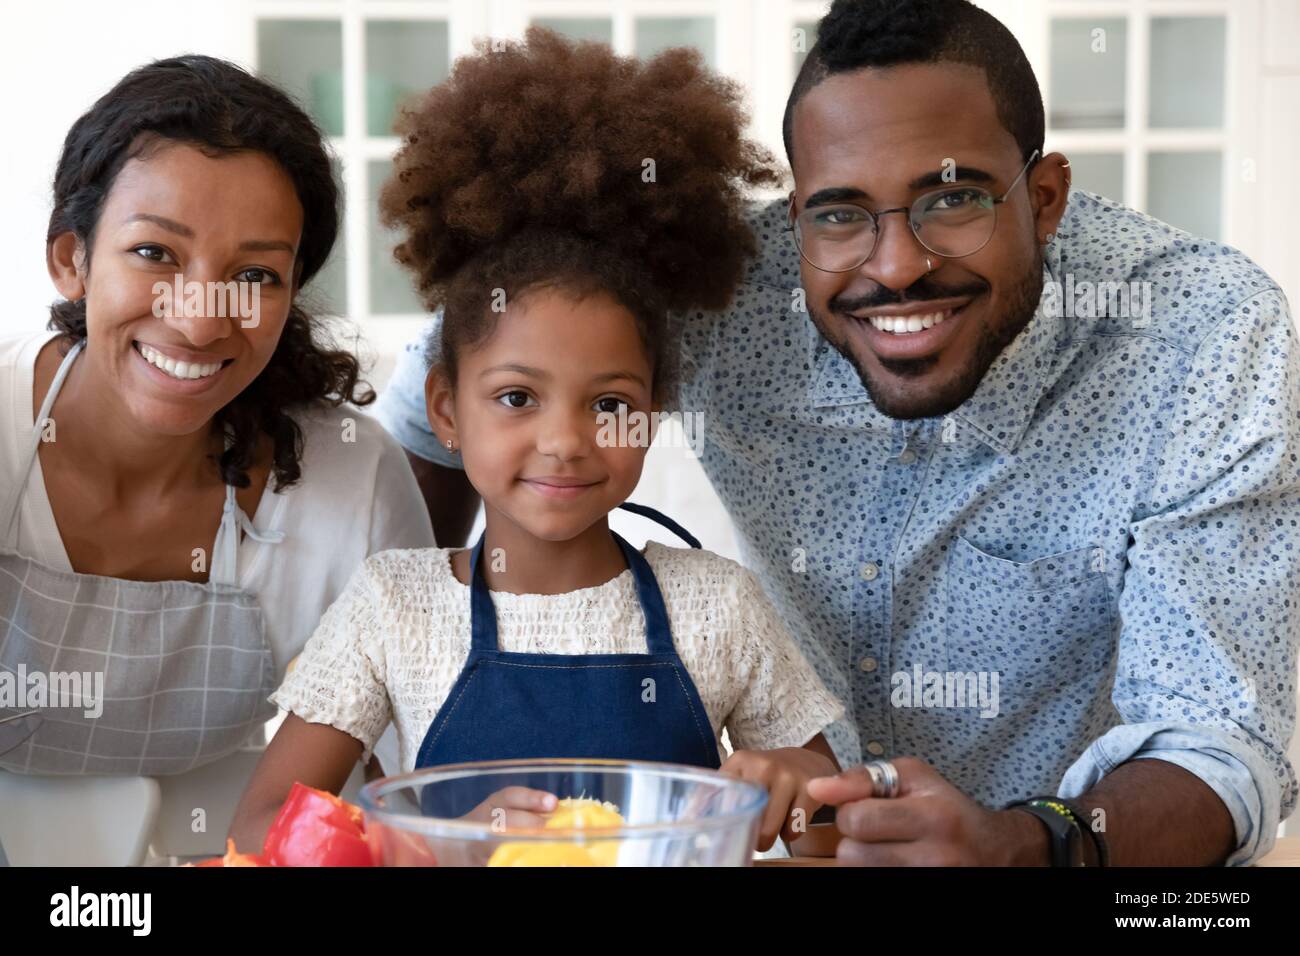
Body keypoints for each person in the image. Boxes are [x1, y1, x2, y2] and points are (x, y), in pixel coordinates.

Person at [374, 0, 1299, 866]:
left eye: (954, 199)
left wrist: (1027, 846)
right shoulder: (712, 279)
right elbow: (452, 383)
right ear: (798, 212)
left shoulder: (1201, 333)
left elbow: (1218, 740)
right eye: (841, 213)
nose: (896, 268)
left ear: (1046, 197)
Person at [229, 28, 845, 858]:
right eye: (516, 397)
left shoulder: (717, 607)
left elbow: (833, 832)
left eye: (609, 403)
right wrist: (433, 839)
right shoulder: (394, 609)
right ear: (446, 410)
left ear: (653, 412)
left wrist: (796, 795)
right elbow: (261, 823)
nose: (564, 441)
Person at [0, 56, 432, 855]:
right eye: (156, 254)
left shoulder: (353, 480)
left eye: (255, 275)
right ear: (72, 258)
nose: (201, 321)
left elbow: (414, 772)